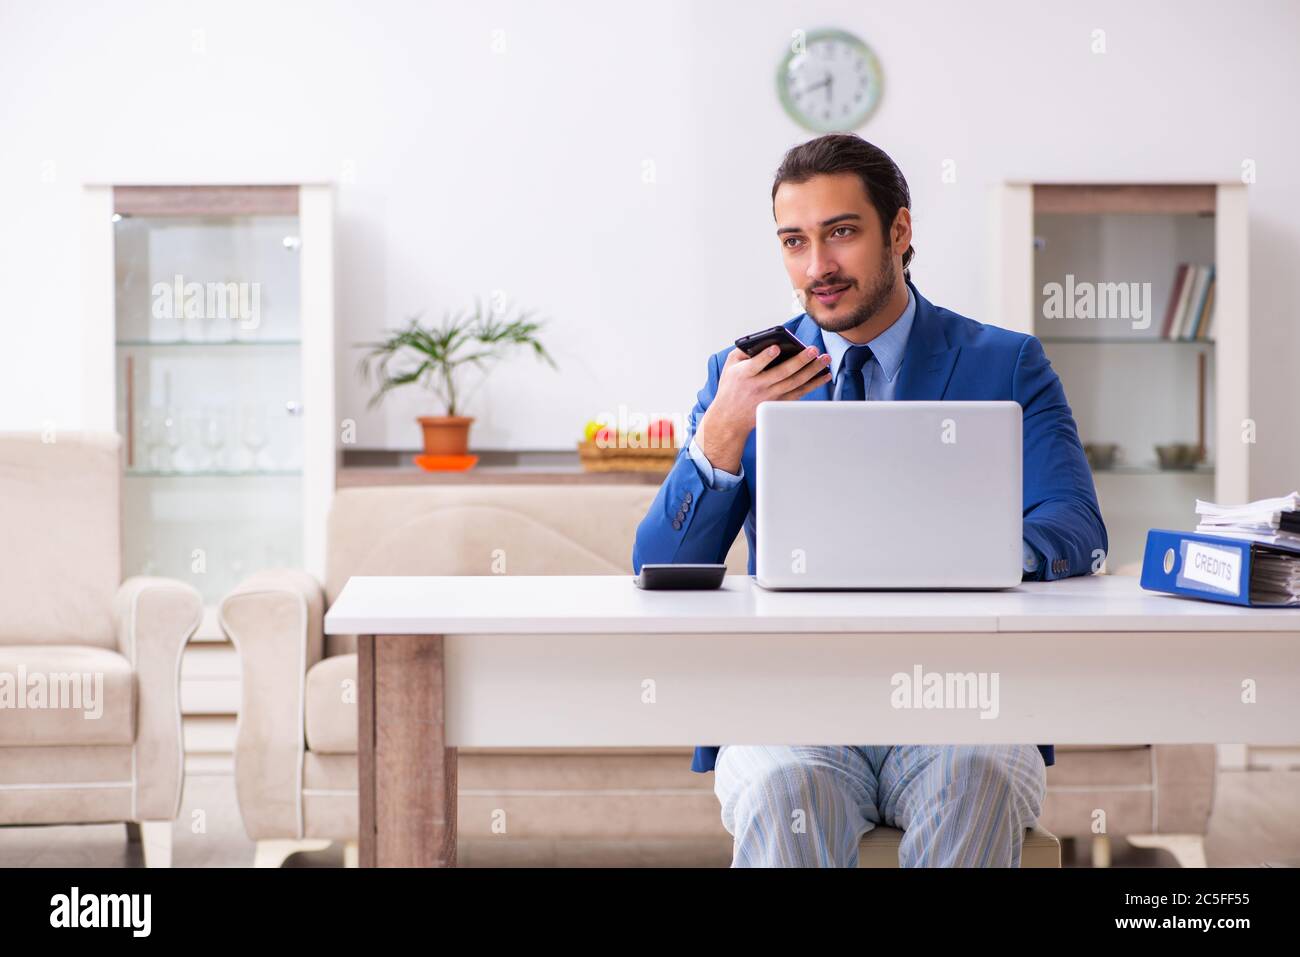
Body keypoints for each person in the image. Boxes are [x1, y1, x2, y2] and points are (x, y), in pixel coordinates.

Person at [631, 133, 1107, 867]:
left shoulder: (1004, 362)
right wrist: (721, 432)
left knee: (975, 779)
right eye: (795, 241)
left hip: (962, 697)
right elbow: (659, 566)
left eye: (841, 233)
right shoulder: (743, 379)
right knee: (784, 789)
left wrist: (967, 554)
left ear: (901, 232)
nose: (817, 266)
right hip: (794, 702)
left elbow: (1074, 524)